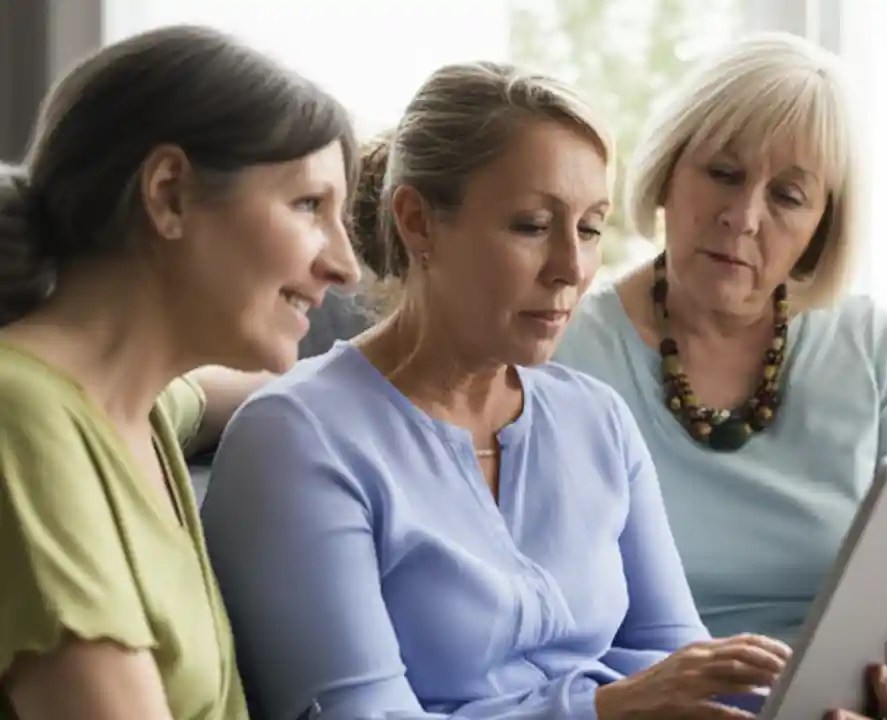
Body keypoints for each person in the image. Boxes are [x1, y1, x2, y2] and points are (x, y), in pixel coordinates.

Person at [201, 61, 792, 720]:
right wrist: (603, 710)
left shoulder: (596, 420)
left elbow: (680, 663)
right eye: (533, 226)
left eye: (591, 229)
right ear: (418, 222)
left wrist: (823, 692)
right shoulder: (297, 441)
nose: (571, 269)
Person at [552, 32, 887, 720]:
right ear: (670, 171)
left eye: (788, 196)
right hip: (672, 698)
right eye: (724, 173)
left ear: (823, 227)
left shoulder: (875, 348)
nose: (744, 216)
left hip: (877, 697)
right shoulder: (566, 351)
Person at [0, 25, 362, 720]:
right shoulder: (25, 421)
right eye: (309, 205)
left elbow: (260, 392)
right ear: (169, 195)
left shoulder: (137, 404)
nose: (344, 265)